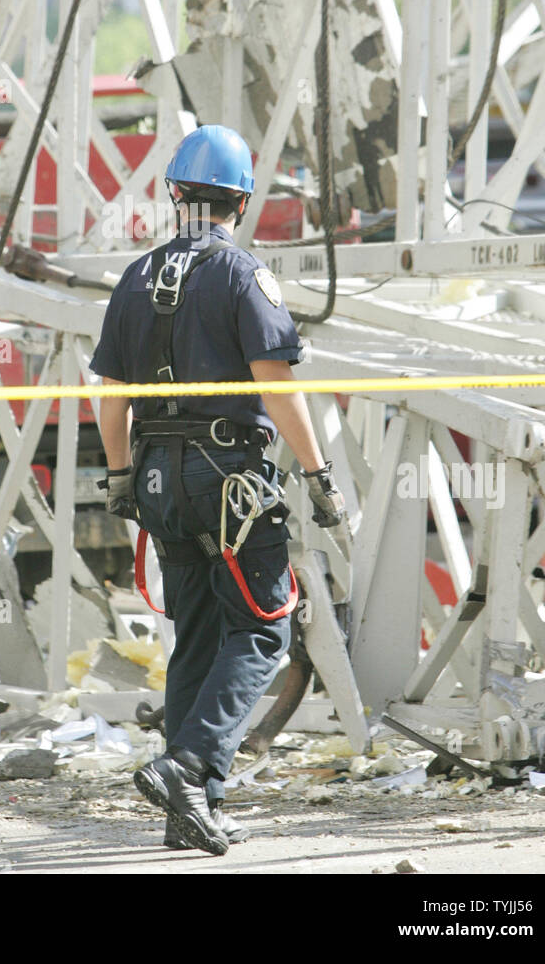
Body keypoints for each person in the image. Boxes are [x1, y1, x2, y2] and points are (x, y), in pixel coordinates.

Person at [90, 124, 344, 856]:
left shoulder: (133, 278)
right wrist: (318, 473)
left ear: (174, 192)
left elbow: (111, 396)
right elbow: (277, 384)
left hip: (159, 479)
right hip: (229, 477)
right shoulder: (243, 276)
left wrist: (116, 476)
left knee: (197, 638)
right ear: (241, 197)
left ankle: (194, 810)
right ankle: (187, 765)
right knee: (266, 627)